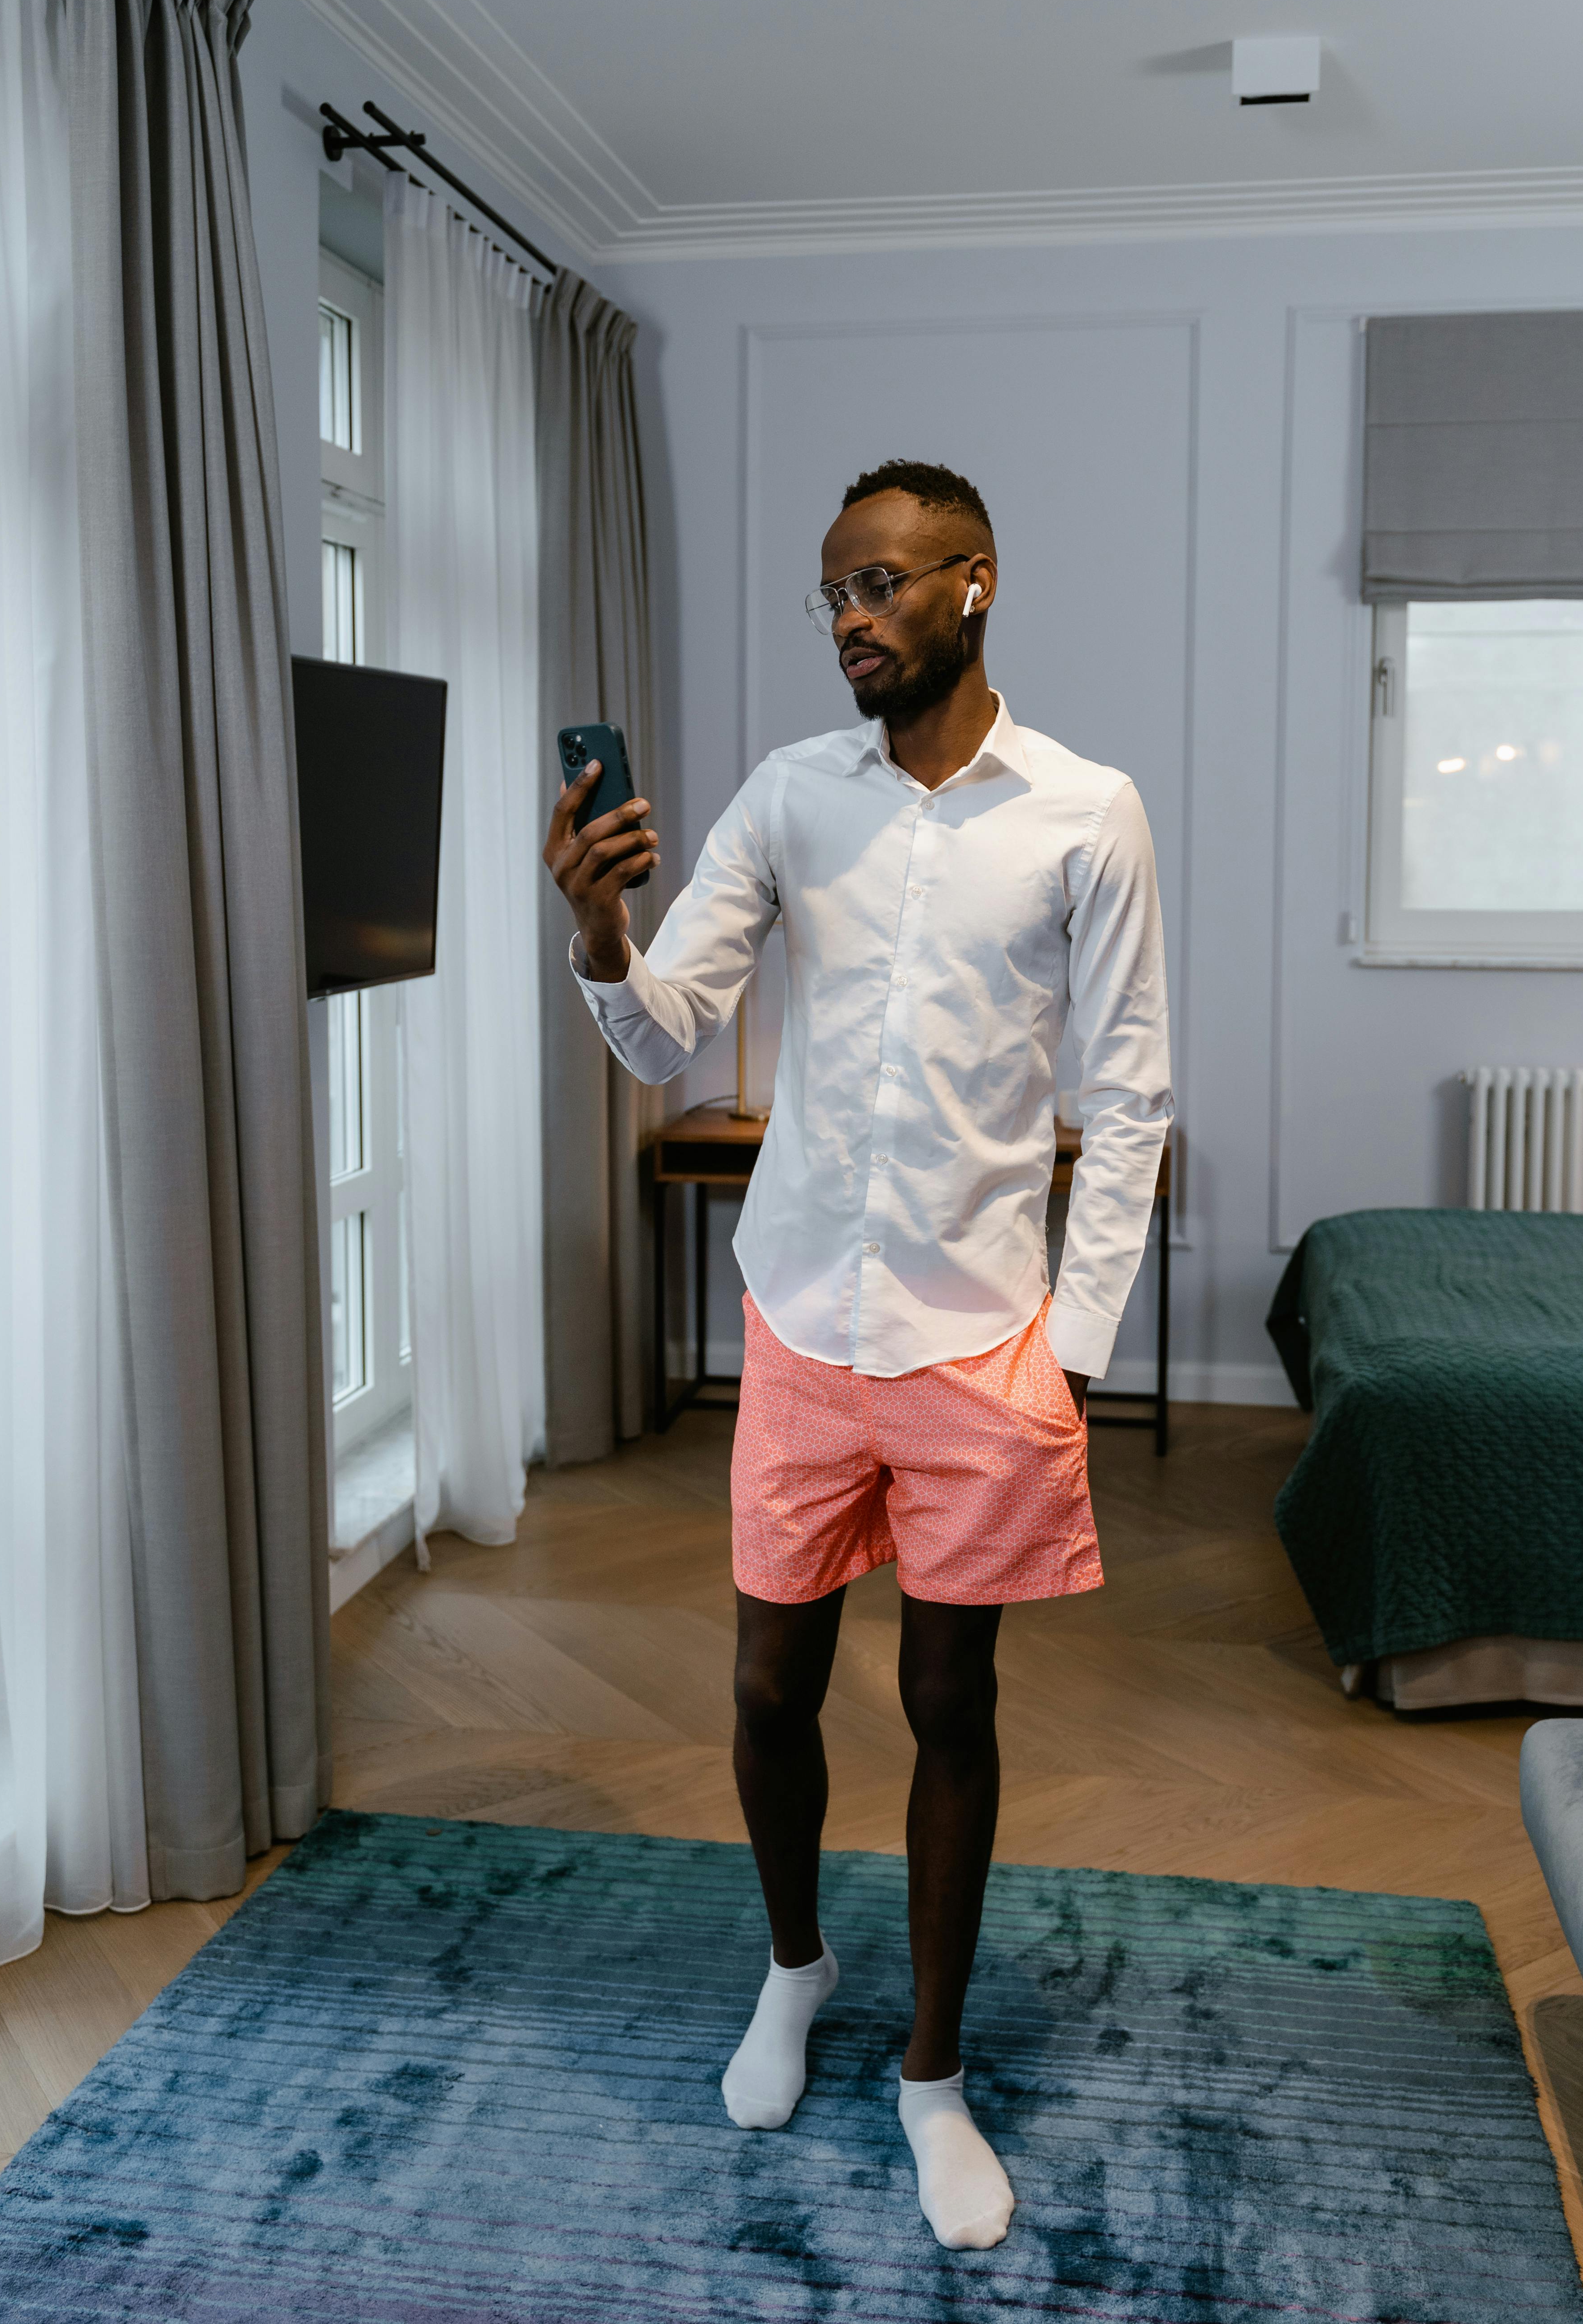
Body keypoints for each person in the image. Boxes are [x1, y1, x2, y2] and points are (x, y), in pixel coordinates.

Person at [543, 458, 1171, 2252]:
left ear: (975, 583)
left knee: (953, 1705)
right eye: (834, 591)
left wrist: (1079, 1348)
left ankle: (934, 2068)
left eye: (885, 584)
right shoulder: (786, 799)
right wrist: (600, 925)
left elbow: (1128, 1105)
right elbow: (671, 1035)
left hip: (983, 1336)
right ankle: (796, 1968)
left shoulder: (1087, 811)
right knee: (765, 1691)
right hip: (806, 1317)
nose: (850, 617)